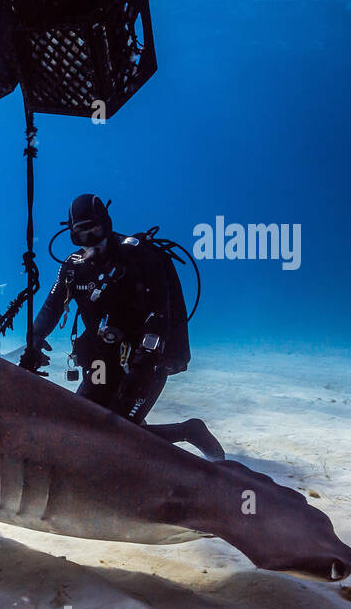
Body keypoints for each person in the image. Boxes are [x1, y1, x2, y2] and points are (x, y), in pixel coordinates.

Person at [19, 194, 223, 459]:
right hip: (102, 362)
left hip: (146, 362)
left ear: (107, 224)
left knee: (117, 440)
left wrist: (143, 365)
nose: (91, 239)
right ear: (71, 234)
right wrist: (34, 339)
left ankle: (188, 430)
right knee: (82, 429)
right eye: (81, 233)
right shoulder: (72, 268)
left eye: (96, 229)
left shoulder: (139, 257)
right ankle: (137, 420)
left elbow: (159, 315)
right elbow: (50, 308)